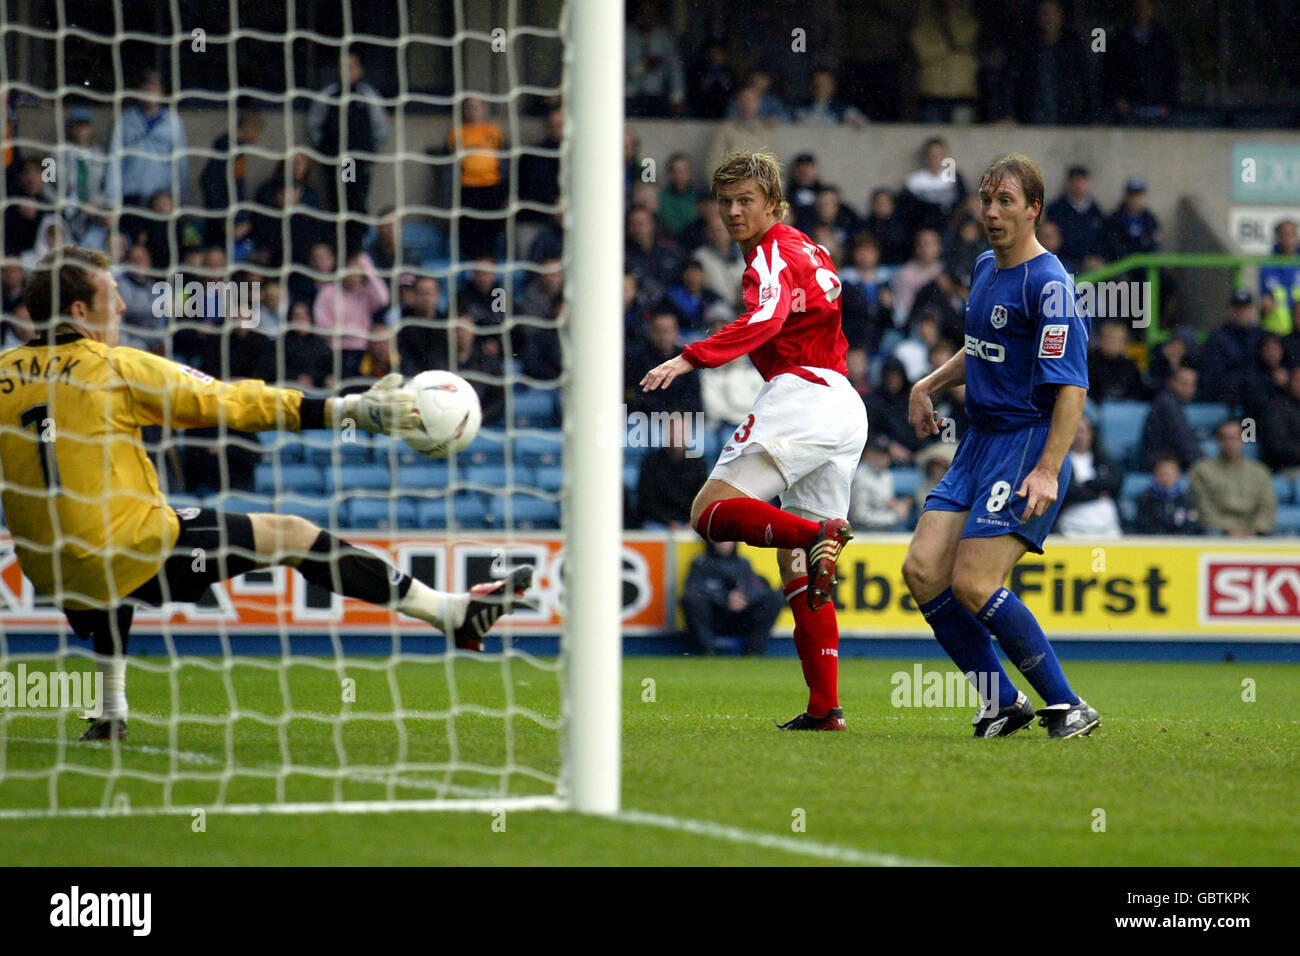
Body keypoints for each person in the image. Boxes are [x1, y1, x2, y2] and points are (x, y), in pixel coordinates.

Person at [2, 246, 533, 741]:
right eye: (109, 296)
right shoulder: (114, 366)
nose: (120, 305)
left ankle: (112, 709)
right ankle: (450, 612)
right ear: (78, 310)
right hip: (127, 551)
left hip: (53, 571)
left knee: (119, 533)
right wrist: (345, 410)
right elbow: (232, 403)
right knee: (292, 534)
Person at [640, 150, 868, 731]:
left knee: (709, 510)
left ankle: (818, 533)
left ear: (773, 203)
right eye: (726, 202)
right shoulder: (804, 246)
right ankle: (825, 708)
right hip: (843, 405)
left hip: (803, 395)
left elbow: (765, 319)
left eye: (747, 201)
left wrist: (692, 357)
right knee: (800, 573)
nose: (735, 212)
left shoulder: (767, 255)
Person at [902, 154, 1100, 740]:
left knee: (974, 582)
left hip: (1025, 441)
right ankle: (1002, 703)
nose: (991, 212)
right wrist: (929, 383)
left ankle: (1068, 706)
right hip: (978, 442)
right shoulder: (987, 266)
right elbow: (984, 349)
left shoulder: (1050, 283)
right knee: (921, 571)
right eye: (986, 200)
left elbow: (1072, 386)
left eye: (1006, 201)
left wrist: (1048, 469)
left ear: (1033, 208)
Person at [306, 49, 391, 253]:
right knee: (340, 203)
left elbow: (382, 129)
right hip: (340, 162)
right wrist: (326, 153)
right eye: (343, 67)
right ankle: (340, 247)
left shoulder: (367, 96)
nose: (348, 71)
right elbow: (313, 127)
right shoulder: (329, 95)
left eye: (352, 67)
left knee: (356, 202)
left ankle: (355, 248)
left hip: (357, 163)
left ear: (359, 70)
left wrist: (368, 154)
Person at [681, 539, 784, 656]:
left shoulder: (743, 564)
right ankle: (706, 653)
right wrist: (725, 599)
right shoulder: (700, 563)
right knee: (691, 600)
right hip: (714, 618)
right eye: (720, 538)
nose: (725, 542)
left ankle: (753, 653)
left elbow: (757, 587)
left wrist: (744, 597)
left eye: (729, 538)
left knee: (774, 598)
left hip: (741, 618)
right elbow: (694, 589)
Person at [1188, 420, 1277, 536]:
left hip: (1254, 534)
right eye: (1225, 438)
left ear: (1242, 440)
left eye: (1234, 438)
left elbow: (1267, 506)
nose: (1230, 443)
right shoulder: (1202, 470)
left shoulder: (1259, 472)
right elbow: (1203, 508)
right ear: (1218, 441)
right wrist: (1228, 530)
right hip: (1216, 533)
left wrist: (1254, 530)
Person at [1055, 415, 1123, 538]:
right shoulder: (1059, 462)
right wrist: (1098, 492)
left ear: (1091, 434)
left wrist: (1085, 485)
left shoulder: (1104, 460)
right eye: (1075, 431)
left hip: (1108, 528)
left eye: (1083, 431)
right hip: (1071, 529)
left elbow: (1116, 483)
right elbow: (1066, 492)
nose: (1080, 436)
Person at [1045, 166, 1106, 272]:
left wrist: (1098, 257)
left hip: (1092, 266)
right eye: (1075, 182)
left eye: (1082, 181)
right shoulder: (1056, 210)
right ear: (1068, 184)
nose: (1078, 186)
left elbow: (1103, 239)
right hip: (1063, 262)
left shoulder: (1096, 212)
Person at [1139, 364, 1200, 471]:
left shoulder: (1170, 401)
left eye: (1192, 384)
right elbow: (1184, 443)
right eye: (1184, 383)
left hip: (1167, 459)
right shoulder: (1168, 405)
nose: (1188, 389)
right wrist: (1206, 465)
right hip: (1159, 465)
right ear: (1171, 382)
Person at [849, 434, 912, 531]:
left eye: (885, 455)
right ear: (868, 454)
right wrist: (894, 516)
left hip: (882, 525)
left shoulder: (886, 474)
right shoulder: (860, 477)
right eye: (877, 454)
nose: (882, 459)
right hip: (862, 531)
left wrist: (898, 505)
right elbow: (859, 517)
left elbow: (885, 501)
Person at [1134, 454, 1200, 534]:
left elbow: (1192, 526)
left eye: (1169, 473)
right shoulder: (1145, 499)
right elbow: (1144, 526)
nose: (1166, 477)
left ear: (1177, 475)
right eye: (1162, 473)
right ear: (1155, 475)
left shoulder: (1187, 499)